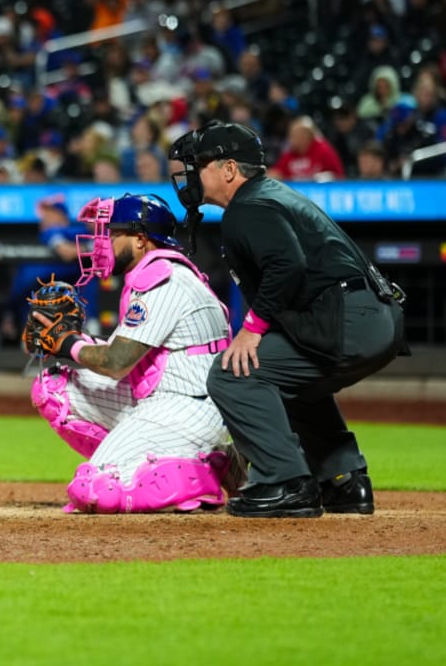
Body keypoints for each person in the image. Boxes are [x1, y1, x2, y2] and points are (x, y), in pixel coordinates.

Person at [170, 121, 407, 518]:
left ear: (229, 169)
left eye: (200, 165)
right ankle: (344, 481)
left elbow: (287, 266)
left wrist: (252, 328)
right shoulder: (269, 196)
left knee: (232, 373)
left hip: (347, 317)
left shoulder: (249, 205)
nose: (190, 175)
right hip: (371, 315)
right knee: (283, 379)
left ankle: (284, 481)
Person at [22, 193, 235, 513]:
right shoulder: (153, 274)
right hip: (161, 396)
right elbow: (127, 351)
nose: (101, 244)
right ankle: (160, 453)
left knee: (94, 490)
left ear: (139, 240)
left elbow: (116, 361)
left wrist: (67, 343)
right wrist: (71, 339)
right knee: (54, 389)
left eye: (111, 234)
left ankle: (204, 468)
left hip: (189, 406)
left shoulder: (163, 280)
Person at [2, 195, 94, 345]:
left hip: (70, 320)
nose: (45, 218)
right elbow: (18, 288)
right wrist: (10, 314)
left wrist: (75, 249)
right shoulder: (39, 242)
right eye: (44, 215)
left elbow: (69, 249)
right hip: (33, 320)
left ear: (63, 218)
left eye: (51, 214)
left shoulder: (75, 233)